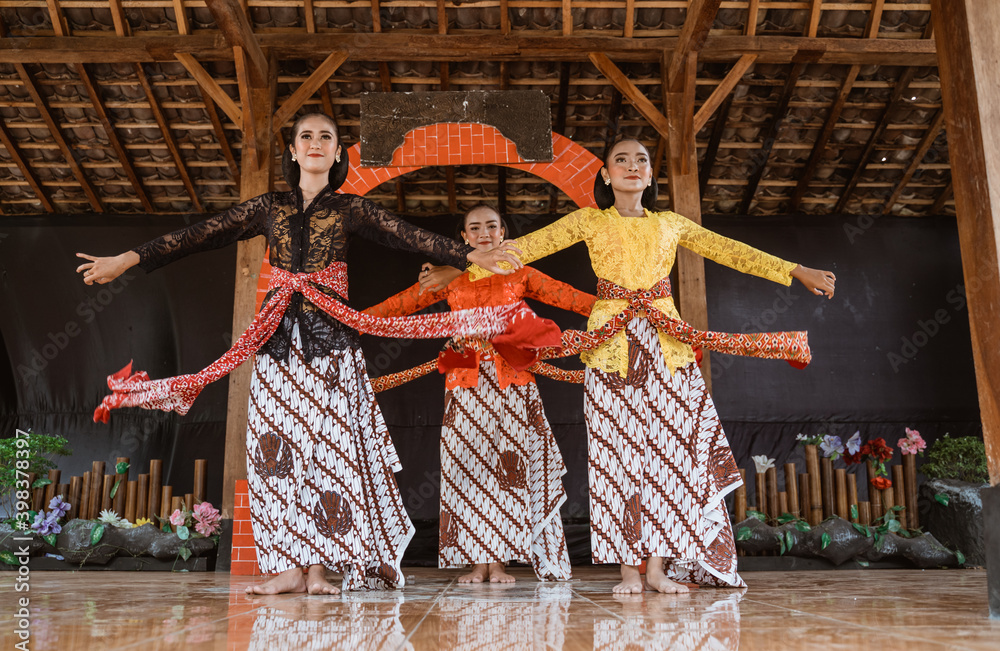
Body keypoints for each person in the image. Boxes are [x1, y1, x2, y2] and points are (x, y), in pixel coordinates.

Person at [75, 113, 522, 596]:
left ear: (336, 154)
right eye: (305, 136)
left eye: (325, 137)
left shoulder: (350, 209)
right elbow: (199, 234)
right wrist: (128, 258)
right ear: (292, 151)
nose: (315, 143)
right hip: (276, 343)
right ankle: (288, 566)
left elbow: (409, 234)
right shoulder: (269, 207)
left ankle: (319, 570)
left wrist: (467, 255)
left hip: (333, 345)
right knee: (274, 456)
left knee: (333, 456)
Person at [468, 138, 835, 594]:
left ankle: (657, 570)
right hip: (610, 346)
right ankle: (626, 570)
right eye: (620, 160)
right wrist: (464, 261)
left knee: (668, 457)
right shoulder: (589, 220)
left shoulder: (671, 224)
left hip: (666, 342)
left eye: (640, 159)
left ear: (650, 175)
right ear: (605, 175)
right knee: (613, 456)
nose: (631, 166)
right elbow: (527, 247)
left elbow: (731, 250)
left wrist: (796, 270)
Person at [365, 204, 595, 584]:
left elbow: (568, 297)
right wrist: (348, 319)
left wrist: (624, 307)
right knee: (465, 469)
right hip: (464, 380)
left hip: (513, 382)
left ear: (503, 232)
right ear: (464, 238)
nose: (484, 233)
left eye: (492, 225)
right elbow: (397, 307)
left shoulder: (520, 271)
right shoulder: (449, 277)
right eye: (475, 228)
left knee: (510, 469)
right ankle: (476, 561)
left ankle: (501, 562)